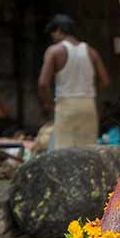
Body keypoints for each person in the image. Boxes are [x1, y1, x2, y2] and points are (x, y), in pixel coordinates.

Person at [38, 14, 110, 149]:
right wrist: (89, 92)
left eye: (53, 33)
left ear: (58, 31)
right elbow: (105, 81)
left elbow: (43, 83)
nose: (53, 38)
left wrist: (49, 104)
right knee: (88, 151)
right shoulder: (91, 51)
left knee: (64, 153)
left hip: (66, 105)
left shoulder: (54, 51)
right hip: (88, 104)